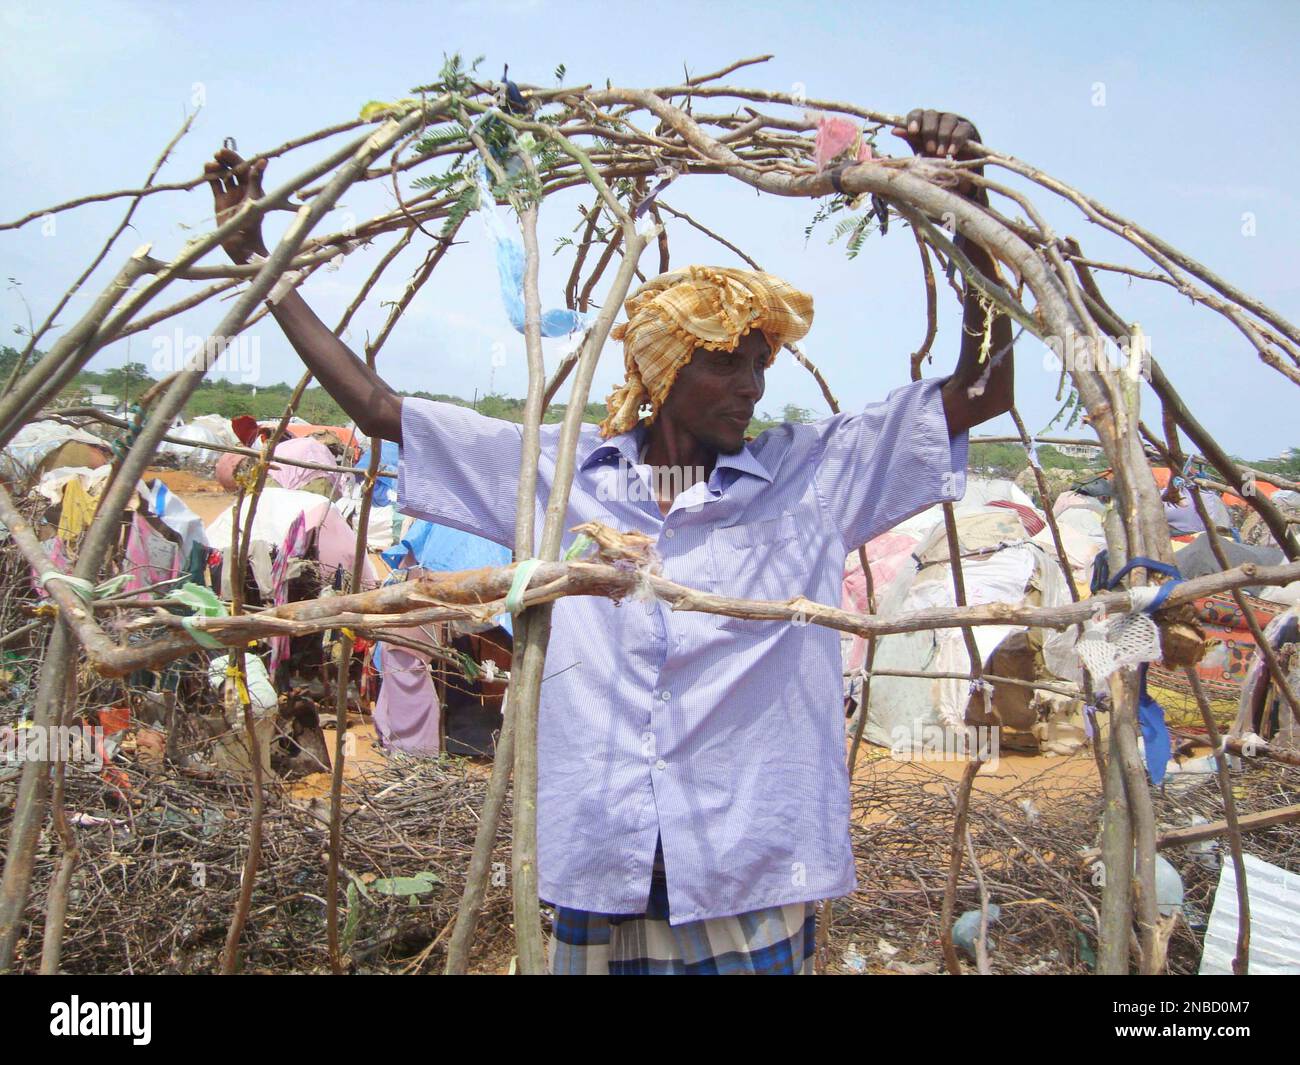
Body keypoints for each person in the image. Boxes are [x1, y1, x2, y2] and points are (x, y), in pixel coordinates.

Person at [206, 107, 1014, 974]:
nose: (749, 387)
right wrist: (259, 259)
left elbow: (981, 387)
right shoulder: (558, 480)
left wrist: (967, 207)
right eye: (726, 363)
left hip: (749, 873)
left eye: (758, 366)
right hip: (603, 864)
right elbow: (378, 408)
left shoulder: (815, 474)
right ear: (665, 371)